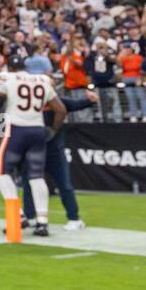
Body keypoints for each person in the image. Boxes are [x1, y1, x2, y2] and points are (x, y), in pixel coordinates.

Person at [0, 51, 68, 238]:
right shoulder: (42, 80)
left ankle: (18, 216)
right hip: (37, 130)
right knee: (36, 176)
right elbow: (60, 110)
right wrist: (52, 130)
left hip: (16, 130)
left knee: (2, 172)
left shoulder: (7, 78)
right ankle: (42, 222)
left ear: (9, 67)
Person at [21, 90, 97, 231]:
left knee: (64, 184)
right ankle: (29, 216)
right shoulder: (29, 103)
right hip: (34, 151)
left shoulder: (58, 102)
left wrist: (90, 100)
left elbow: (77, 104)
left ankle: (74, 219)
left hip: (55, 151)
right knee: (28, 184)